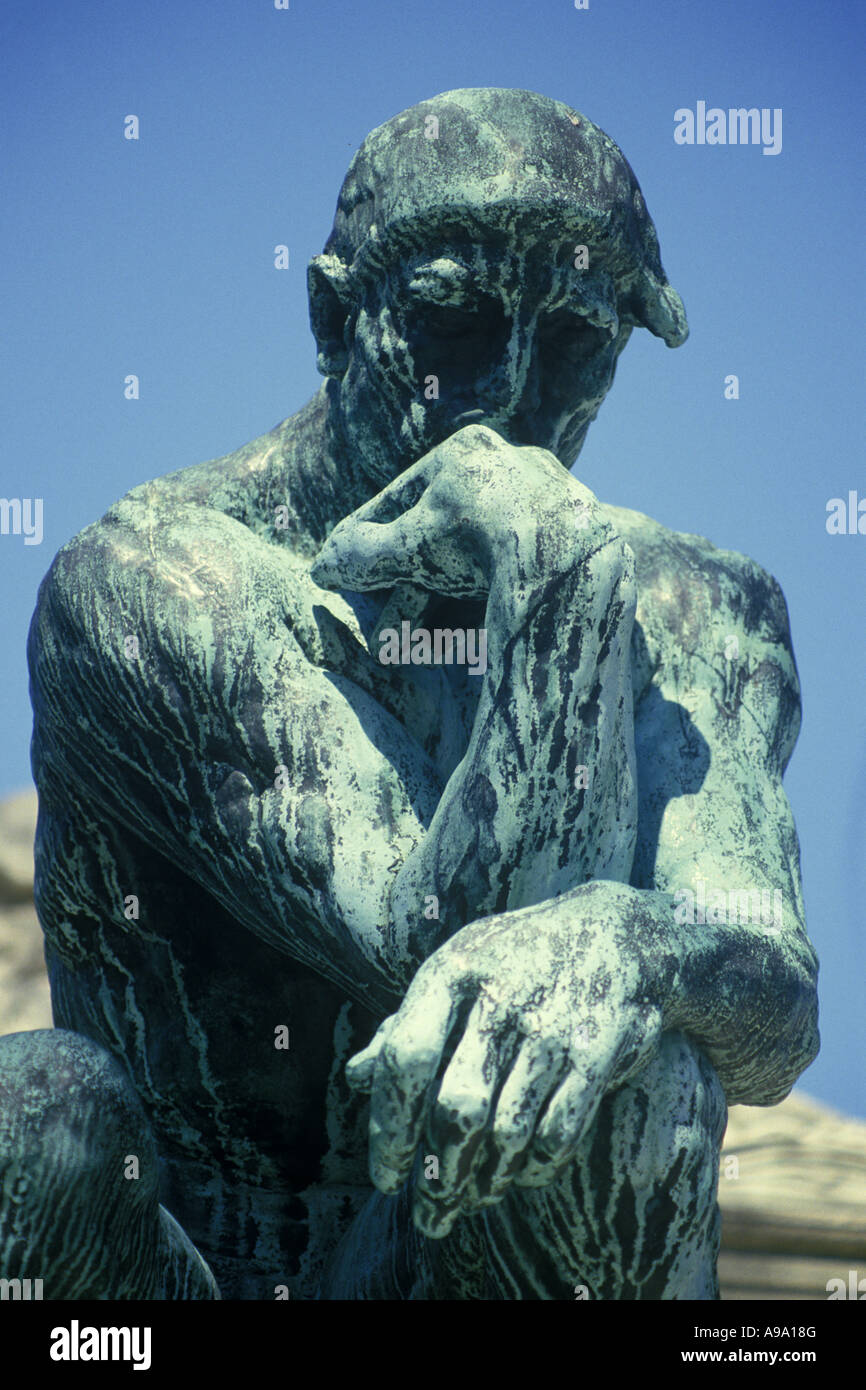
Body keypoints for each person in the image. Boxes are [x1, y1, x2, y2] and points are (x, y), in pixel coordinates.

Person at [21, 88, 818, 1299]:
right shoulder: (149, 586)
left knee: (629, 1056)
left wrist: (640, 944)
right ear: (334, 318)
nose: (506, 398)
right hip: (179, 1285)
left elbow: (773, 999)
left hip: (472, 1269)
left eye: (571, 344)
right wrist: (552, 567)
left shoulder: (700, 607)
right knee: (39, 1119)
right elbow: (435, 947)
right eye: (451, 321)